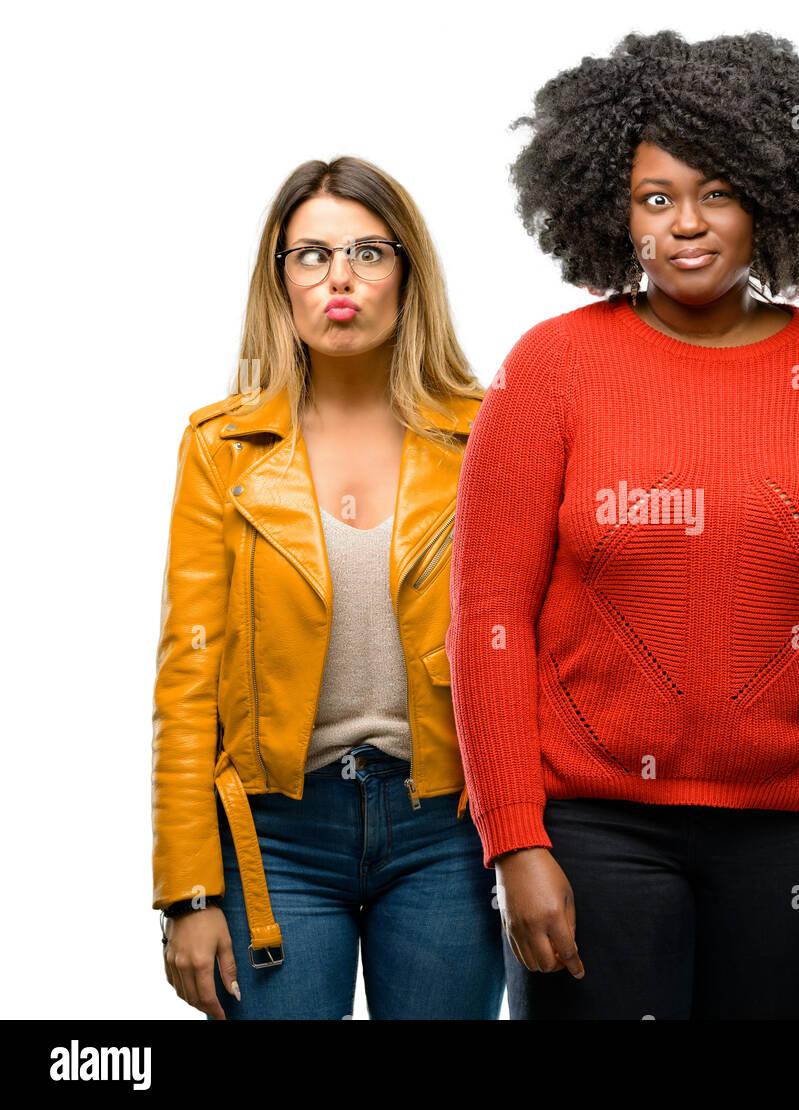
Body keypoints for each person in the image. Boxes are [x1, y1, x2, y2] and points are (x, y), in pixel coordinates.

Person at [446, 30, 799, 1020]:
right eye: (654, 198)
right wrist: (514, 839)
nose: (685, 225)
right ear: (609, 210)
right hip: (589, 831)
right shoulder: (549, 369)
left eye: (716, 192)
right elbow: (488, 619)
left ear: (771, 196)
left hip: (791, 839)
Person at [152, 156, 504, 1019]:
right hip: (272, 837)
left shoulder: (487, 434)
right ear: (280, 281)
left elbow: (528, 648)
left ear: (406, 273)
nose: (338, 276)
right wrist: (187, 893)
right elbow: (187, 681)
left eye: (368, 252)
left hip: (447, 831)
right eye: (310, 255)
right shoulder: (221, 447)